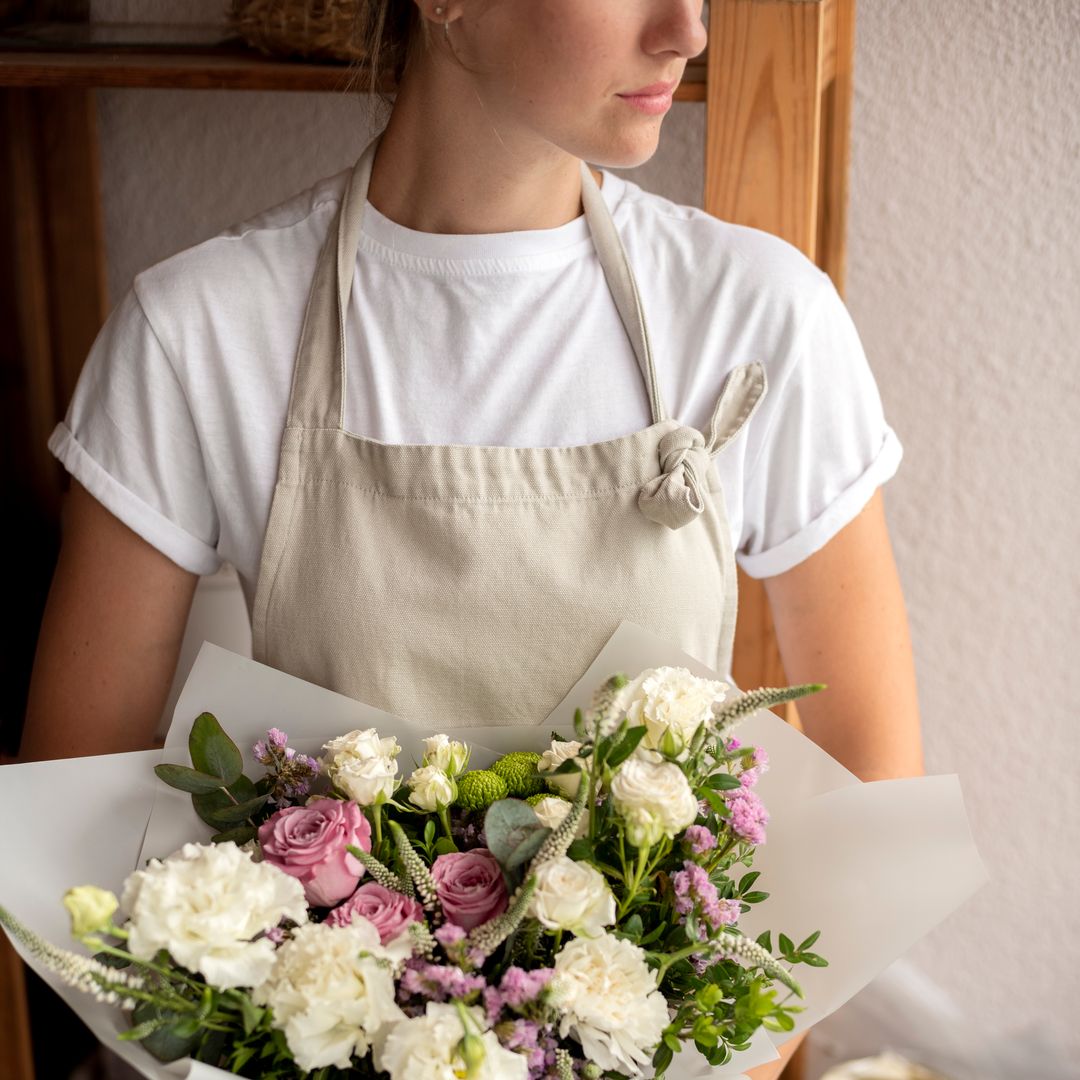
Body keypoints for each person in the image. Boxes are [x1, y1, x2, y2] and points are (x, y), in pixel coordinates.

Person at [20, 3, 925, 1075]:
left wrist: (729, 1052)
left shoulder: (754, 316)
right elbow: (70, 810)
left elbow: (870, 789)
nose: (688, 29)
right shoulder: (202, 330)